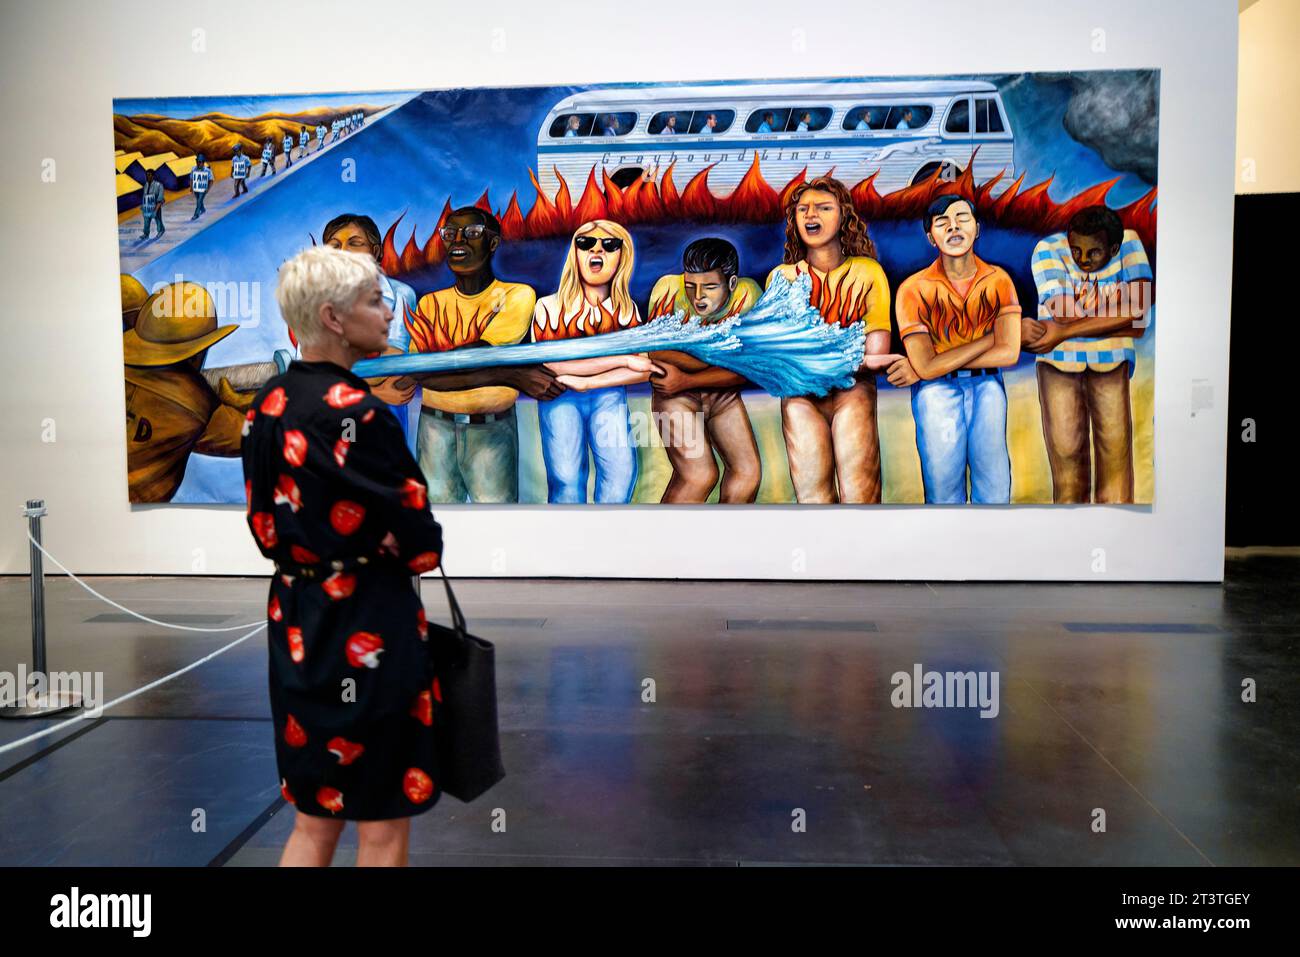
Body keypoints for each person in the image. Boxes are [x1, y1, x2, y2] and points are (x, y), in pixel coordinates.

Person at [242, 245, 450, 867]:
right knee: (382, 818)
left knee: (315, 814)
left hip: (298, 621)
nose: (387, 313)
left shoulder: (268, 405)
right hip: (369, 623)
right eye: (373, 301)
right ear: (333, 317)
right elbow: (418, 539)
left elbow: (261, 520)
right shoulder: (358, 413)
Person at [765, 175, 916, 503]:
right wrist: (843, 354)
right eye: (802, 209)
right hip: (801, 396)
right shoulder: (781, 278)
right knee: (813, 499)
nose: (810, 215)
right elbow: (777, 355)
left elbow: (877, 352)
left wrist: (810, 355)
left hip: (852, 391)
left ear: (843, 216)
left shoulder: (867, 272)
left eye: (823, 207)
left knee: (860, 493)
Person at [405, 207, 562, 503]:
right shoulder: (429, 303)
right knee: (437, 523)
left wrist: (443, 369)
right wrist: (511, 375)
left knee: (498, 527)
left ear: (492, 243)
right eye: (450, 235)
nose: (458, 242)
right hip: (434, 429)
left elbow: (480, 355)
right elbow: (420, 373)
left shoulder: (518, 295)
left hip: (491, 429)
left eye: (472, 234)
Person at [896, 195, 1023, 504]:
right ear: (931, 237)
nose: (953, 227)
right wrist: (987, 339)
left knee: (994, 488)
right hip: (935, 392)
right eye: (942, 222)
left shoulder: (999, 281)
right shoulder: (913, 289)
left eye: (962, 218)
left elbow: (1009, 353)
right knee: (942, 489)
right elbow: (926, 369)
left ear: (977, 228)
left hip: (988, 386)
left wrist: (937, 360)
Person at [1026, 204, 1153, 503]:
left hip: (1109, 363)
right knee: (1067, 457)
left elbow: (1139, 318)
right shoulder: (1047, 249)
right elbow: (1065, 312)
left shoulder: (1129, 242)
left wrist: (1062, 332)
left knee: (1116, 453)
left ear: (1112, 248)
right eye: (1075, 251)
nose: (1081, 260)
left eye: (1093, 253)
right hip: (1058, 364)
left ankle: (1117, 535)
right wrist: (1119, 309)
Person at [533, 219, 660, 503]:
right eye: (586, 243)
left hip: (609, 397)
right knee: (565, 480)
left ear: (622, 256)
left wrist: (587, 380)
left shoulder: (627, 310)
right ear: (574, 252)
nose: (597, 251)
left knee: (621, 475)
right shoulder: (547, 306)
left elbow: (643, 371)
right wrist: (623, 359)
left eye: (609, 245)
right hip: (560, 398)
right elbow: (550, 366)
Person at [646, 238, 762, 503]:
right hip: (675, 396)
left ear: (731, 283)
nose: (698, 297)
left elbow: (746, 369)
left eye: (709, 287)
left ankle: (726, 539)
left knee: (748, 473)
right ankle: (663, 542)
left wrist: (687, 376)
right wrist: (722, 359)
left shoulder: (747, 295)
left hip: (717, 394)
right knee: (699, 475)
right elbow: (655, 351)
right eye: (691, 286)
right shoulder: (667, 290)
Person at [124, 281, 250, 502]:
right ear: (195, 353)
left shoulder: (113, 362)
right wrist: (244, 403)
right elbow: (252, 436)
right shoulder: (195, 405)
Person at [321, 213, 421, 452]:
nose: (344, 252)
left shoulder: (399, 295)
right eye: (335, 246)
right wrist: (376, 391)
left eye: (355, 243)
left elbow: (389, 365)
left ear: (375, 251)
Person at [139, 168, 165, 238]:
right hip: (147, 207)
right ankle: (146, 234)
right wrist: (143, 205)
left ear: (153, 176)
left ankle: (161, 230)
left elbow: (160, 199)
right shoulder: (145, 185)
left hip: (156, 206)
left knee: (158, 219)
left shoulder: (159, 185)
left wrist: (156, 209)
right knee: (146, 220)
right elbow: (145, 197)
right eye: (146, 175)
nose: (147, 176)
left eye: (149, 175)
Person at [189, 154, 212, 219]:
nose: (198, 163)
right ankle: (203, 209)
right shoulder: (194, 169)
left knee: (199, 200)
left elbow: (211, 180)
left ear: (203, 162)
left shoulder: (207, 171)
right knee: (198, 199)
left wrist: (208, 188)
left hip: (203, 188)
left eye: (200, 162)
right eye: (197, 162)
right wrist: (191, 187)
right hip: (196, 188)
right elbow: (191, 178)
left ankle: (196, 214)